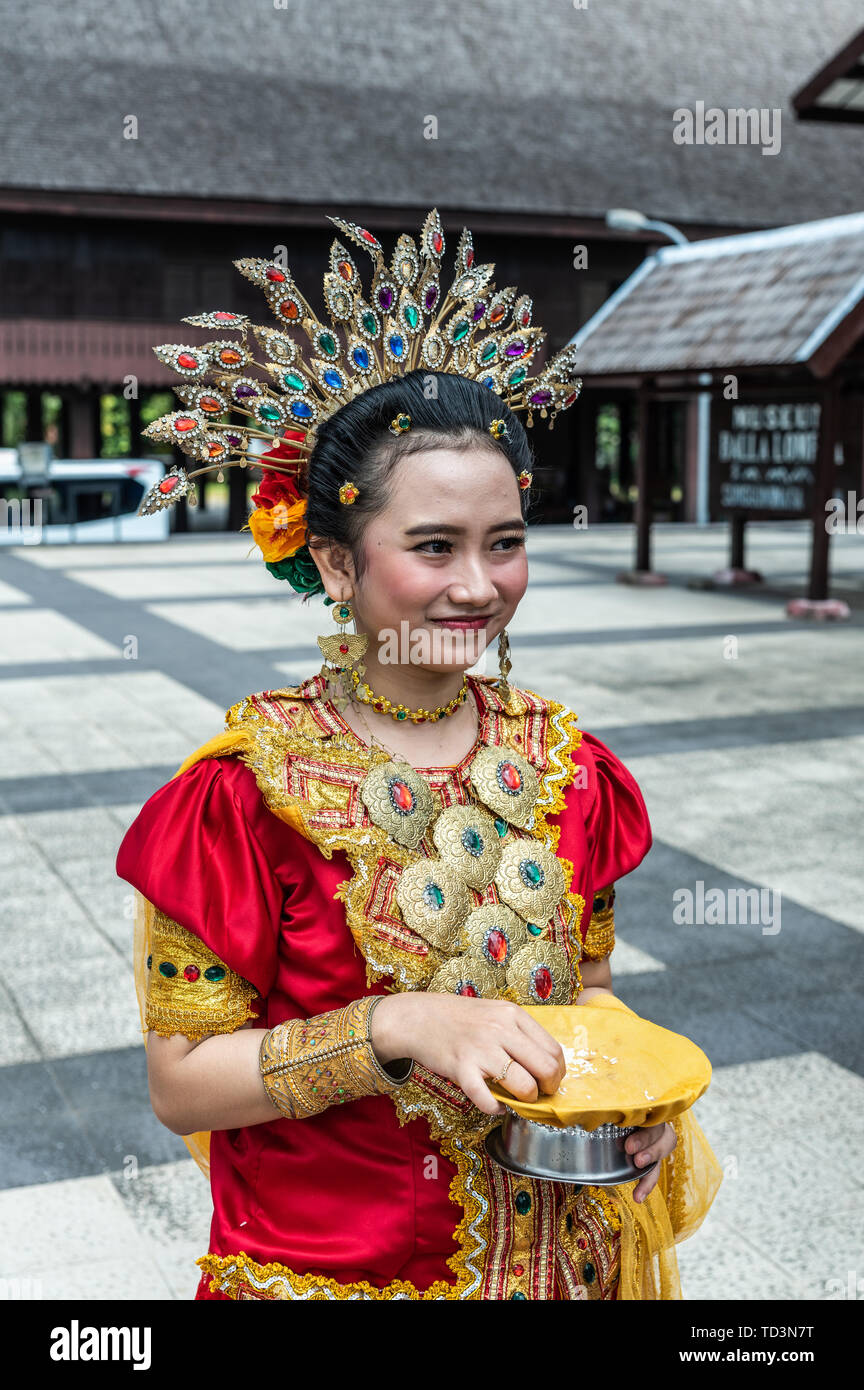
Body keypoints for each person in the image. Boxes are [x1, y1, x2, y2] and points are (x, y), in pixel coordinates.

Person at [116, 213, 721, 1301]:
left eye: (507, 541)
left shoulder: (567, 766)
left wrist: (632, 1100)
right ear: (339, 563)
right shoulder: (243, 795)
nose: (479, 585)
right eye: (433, 546)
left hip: (559, 1264)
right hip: (343, 1279)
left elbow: (586, 993)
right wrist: (394, 1025)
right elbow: (181, 1086)